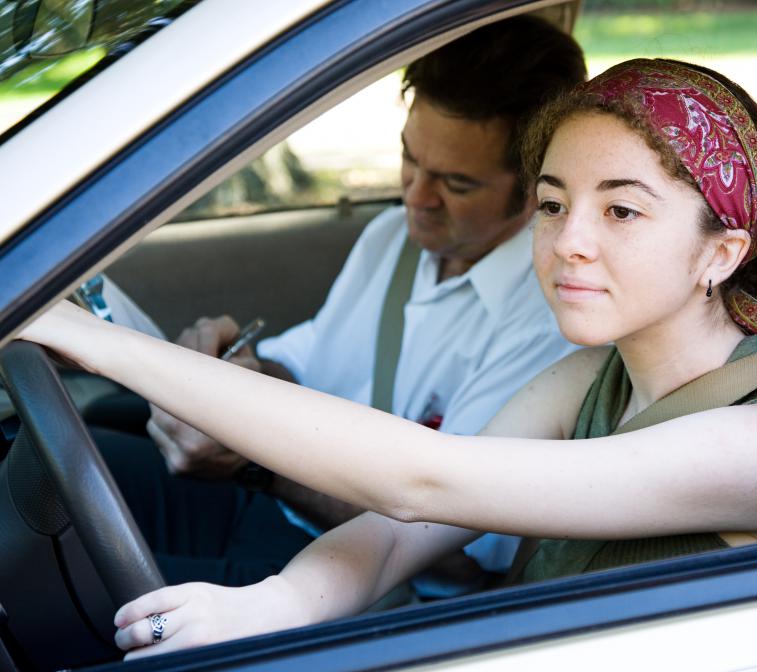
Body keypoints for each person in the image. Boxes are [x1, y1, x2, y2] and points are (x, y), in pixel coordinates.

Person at [17, 57, 757, 658]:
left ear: (721, 253)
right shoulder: (595, 375)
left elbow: (424, 480)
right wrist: (267, 606)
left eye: (621, 211)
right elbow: (405, 528)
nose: (568, 245)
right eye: (552, 206)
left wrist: (91, 337)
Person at [92, 15, 588, 589]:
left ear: (535, 187)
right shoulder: (389, 240)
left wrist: (255, 460)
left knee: (72, 588)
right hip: (272, 515)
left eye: (456, 183)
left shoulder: (546, 317)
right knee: (61, 478)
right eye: (410, 160)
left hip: (373, 587)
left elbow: (458, 550)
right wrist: (235, 365)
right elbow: (303, 365)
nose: (416, 197)